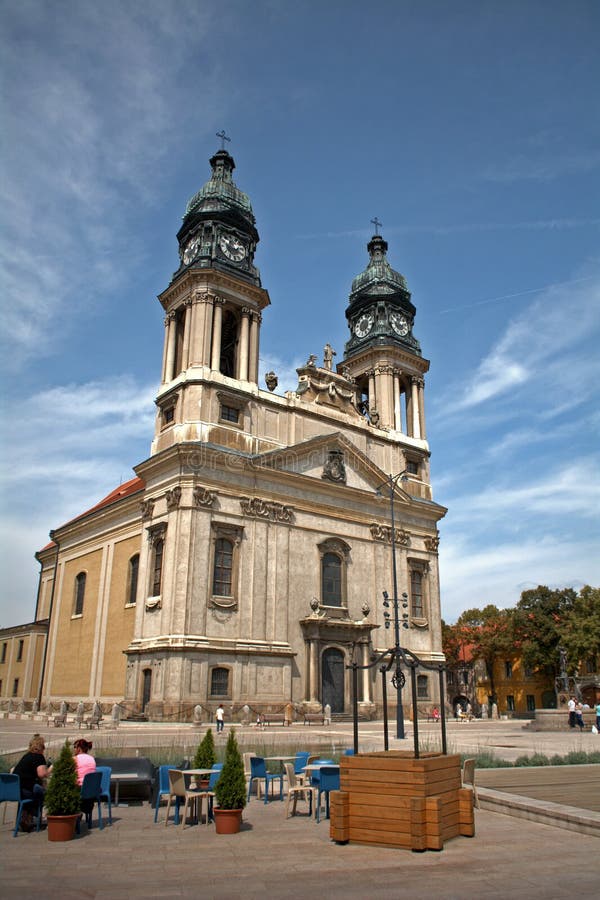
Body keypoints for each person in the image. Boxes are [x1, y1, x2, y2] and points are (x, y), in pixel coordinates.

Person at [13, 734, 52, 831]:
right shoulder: (39, 757)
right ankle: (43, 819)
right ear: (41, 747)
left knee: (37, 791)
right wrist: (50, 769)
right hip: (27, 789)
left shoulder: (26, 756)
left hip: (16, 790)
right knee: (48, 794)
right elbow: (42, 774)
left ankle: (26, 818)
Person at [74, 737, 97, 818]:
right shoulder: (92, 759)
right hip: (91, 791)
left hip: (79, 791)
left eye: (74, 747)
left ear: (79, 748)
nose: (74, 750)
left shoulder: (75, 759)